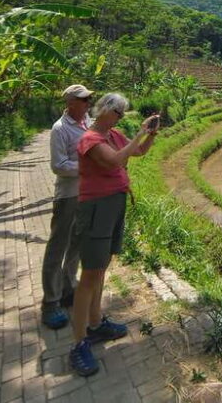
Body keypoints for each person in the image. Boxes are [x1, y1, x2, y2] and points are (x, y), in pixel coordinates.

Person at [69, 92, 160, 377]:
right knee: (89, 275)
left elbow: (138, 152)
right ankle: (79, 343)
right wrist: (140, 132)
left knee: (101, 269)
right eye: (118, 112)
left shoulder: (114, 135)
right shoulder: (91, 139)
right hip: (97, 209)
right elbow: (115, 161)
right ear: (106, 110)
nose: (120, 118)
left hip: (114, 206)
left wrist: (151, 135)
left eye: (122, 114)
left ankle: (96, 323)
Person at [41, 84, 94, 330]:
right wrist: (86, 166)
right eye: (83, 100)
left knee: (76, 245)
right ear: (70, 103)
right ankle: (50, 303)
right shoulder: (60, 129)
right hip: (68, 196)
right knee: (58, 247)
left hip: (86, 193)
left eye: (89, 99)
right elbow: (58, 165)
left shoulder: (87, 122)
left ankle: (67, 288)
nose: (88, 103)